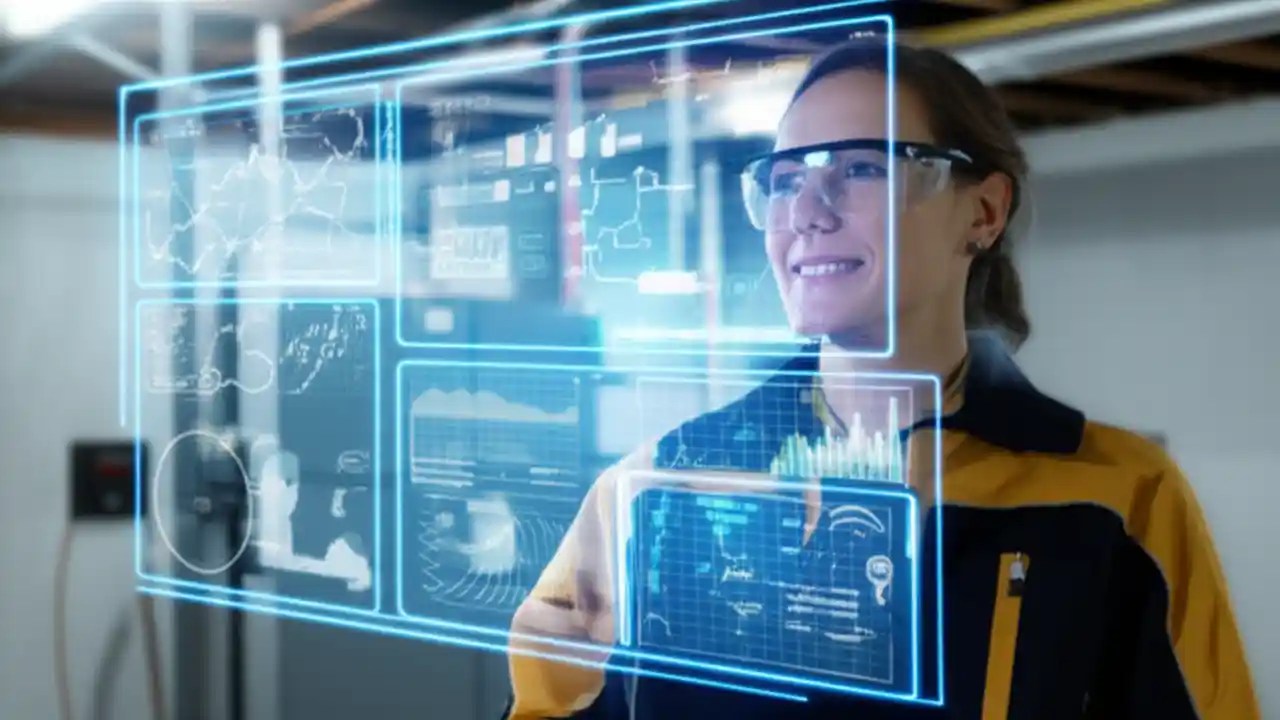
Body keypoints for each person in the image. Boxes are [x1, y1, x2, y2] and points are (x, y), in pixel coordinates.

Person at [503, 36, 1259, 719]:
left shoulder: (1117, 498)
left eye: (861, 168)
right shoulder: (658, 487)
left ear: (985, 212)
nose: (807, 210)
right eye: (786, 176)